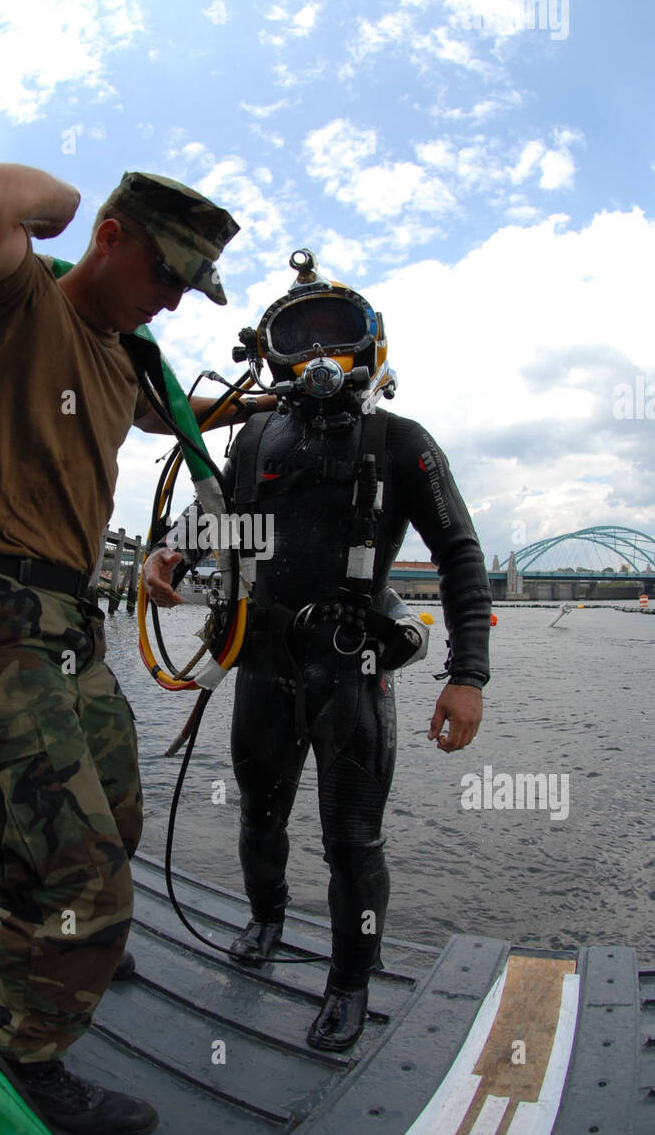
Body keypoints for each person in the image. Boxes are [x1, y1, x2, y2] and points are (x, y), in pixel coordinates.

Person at [0, 163, 267, 1135]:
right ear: (108, 236)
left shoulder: (120, 355)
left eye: (186, 290)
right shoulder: (18, 302)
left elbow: (168, 417)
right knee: (84, 874)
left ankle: (69, 940)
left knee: (118, 807)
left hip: (72, 627)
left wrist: (248, 404)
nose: (170, 299)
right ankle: (25, 1054)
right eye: (164, 273)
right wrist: (80, 214)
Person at [143, 248, 491, 1052]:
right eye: (298, 338)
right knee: (259, 820)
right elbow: (225, 519)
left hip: (353, 667)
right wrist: (172, 552)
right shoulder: (256, 437)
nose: (320, 357)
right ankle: (266, 920)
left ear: (372, 349)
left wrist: (466, 675)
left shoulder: (402, 442)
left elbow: (462, 557)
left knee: (351, 841)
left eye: (338, 337)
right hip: (262, 661)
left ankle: (348, 983)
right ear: (269, 354)